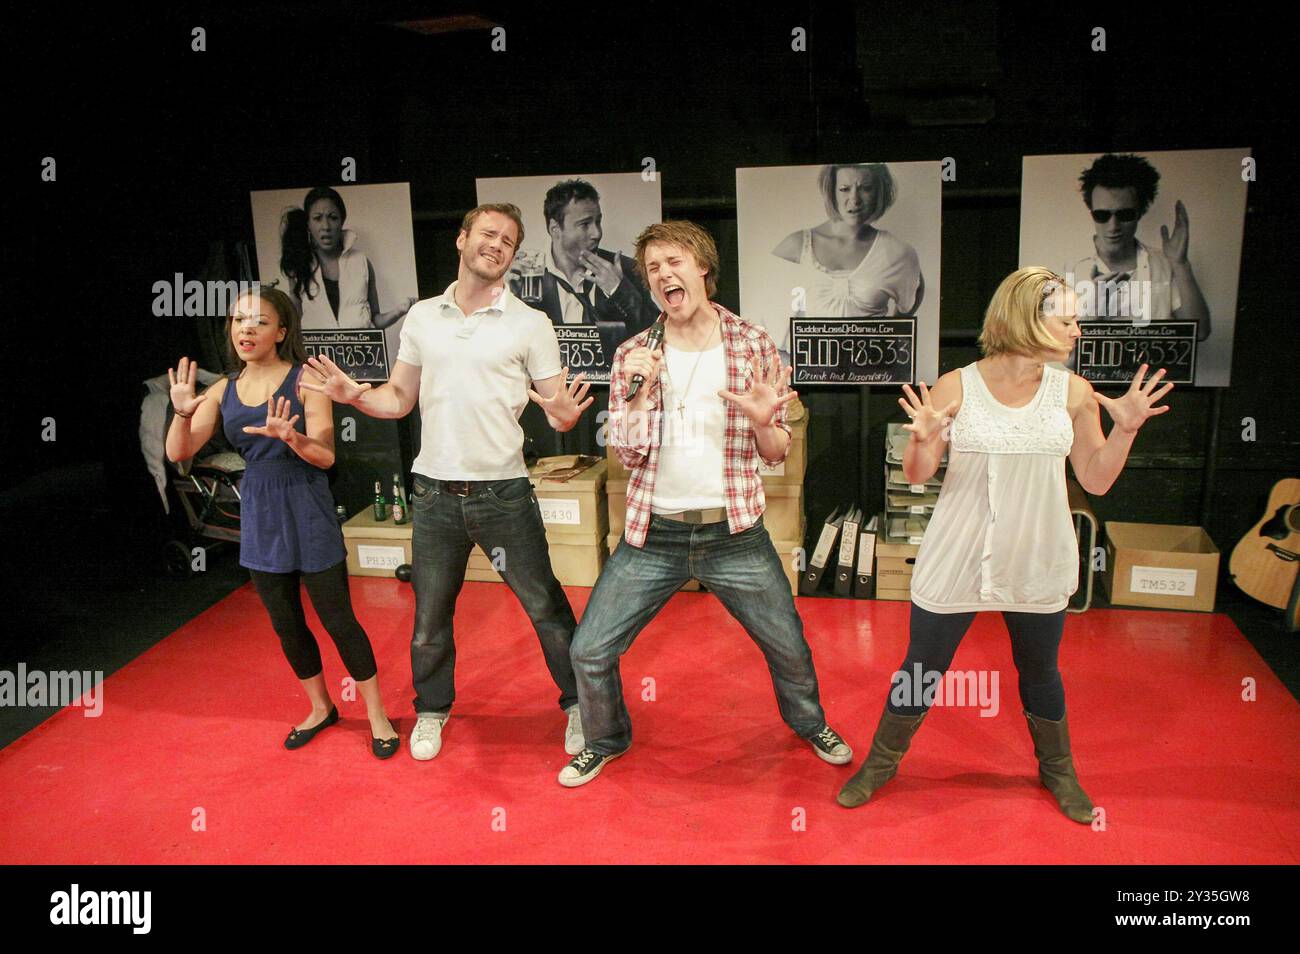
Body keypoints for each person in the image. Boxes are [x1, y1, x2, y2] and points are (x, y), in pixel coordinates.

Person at [837, 266, 1173, 821]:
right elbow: (920, 475)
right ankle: (880, 762)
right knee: (922, 664)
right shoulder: (956, 386)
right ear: (1025, 320)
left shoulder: (1074, 391)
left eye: (1076, 321)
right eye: (1066, 320)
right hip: (959, 549)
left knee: (1040, 668)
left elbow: (1095, 479)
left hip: (1037, 551)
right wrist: (921, 440)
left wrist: (1126, 430)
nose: (1077, 331)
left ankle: (1058, 770)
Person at [558, 220, 853, 788]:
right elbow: (628, 453)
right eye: (652, 269)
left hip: (734, 535)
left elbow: (774, 453)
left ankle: (809, 723)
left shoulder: (753, 344)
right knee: (590, 650)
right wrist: (639, 397)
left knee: (789, 646)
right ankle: (605, 738)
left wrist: (766, 422)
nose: (664, 274)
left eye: (674, 262)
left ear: (702, 269)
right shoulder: (632, 355)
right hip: (654, 536)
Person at [301, 203, 595, 762]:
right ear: (461, 240)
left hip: (504, 494)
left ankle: (580, 705)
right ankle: (433, 710)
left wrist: (564, 417)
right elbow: (399, 399)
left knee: (547, 609)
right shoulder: (422, 318)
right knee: (430, 619)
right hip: (434, 495)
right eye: (487, 233)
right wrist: (355, 395)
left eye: (509, 240)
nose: (497, 245)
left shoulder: (530, 323)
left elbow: (557, 411)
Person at [164, 287, 401, 758]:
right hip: (260, 515)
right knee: (286, 623)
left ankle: (376, 713)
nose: (246, 329)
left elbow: (326, 455)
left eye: (258, 321)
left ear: (282, 330)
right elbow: (179, 452)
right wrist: (180, 412)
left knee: (337, 620)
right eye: (238, 321)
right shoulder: (221, 389)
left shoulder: (305, 380)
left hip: (307, 506)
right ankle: (320, 707)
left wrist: (292, 438)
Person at [509, 178, 659, 367]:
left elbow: (658, 336)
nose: (597, 233)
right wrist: (509, 297)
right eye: (585, 224)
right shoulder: (527, 276)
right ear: (555, 229)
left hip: (610, 392)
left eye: (598, 222)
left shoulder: (626, 270)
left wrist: (619, 291)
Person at [1066, 153, 1211, 341]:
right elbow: (1066, 358)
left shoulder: (1165, 264)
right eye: (1102, 215)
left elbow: (1199, 333)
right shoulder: (1071, 268)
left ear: (1140, 212)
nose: (1113, 226)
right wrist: (1094, 311)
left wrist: (1181, 264)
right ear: (1091, 213)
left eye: (1124, 214)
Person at [772, 163, 923, 320]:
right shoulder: (795, 247)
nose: (855, 199)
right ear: (832, 192)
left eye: (866, 188)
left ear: (878, 193)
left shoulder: (898, 252)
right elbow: (770, 311)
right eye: (844, 189)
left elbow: (910, 303)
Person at [279, 186, 416, 331]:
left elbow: (375, 320)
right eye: (317, 218)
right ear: (308, 224)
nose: (326, 226)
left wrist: (399, 310)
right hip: (317, 353)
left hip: (360, 352)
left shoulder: (361, 262)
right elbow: (294, 324)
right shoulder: (298, 265)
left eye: (333, 218)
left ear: (342, 221)